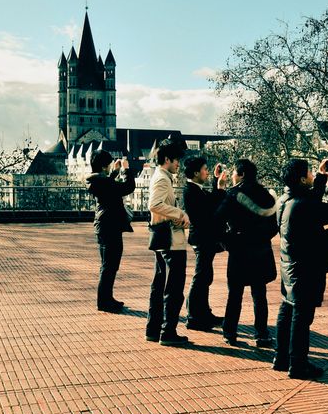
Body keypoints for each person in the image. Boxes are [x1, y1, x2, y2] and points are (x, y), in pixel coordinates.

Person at [274, 157, 328, 380]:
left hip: (289, 264)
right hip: (304, 267)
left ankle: (282, 358)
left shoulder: (287, 199)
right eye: (310, 173)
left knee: (287, 309)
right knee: (302, 317)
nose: (313, 175)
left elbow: (310, 199)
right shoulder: (303, 203)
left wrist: (322, 176)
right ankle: (298, 365)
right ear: (302, 178)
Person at [218, 158, 278, 347]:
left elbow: (217, 220)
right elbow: (273, 226)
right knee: (259, 294)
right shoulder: (266, 195)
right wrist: (262, 237)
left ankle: (230, 332)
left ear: (241, 174)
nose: (233, 176)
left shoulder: (233, 194)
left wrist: (228, 242)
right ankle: (261, 333)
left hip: (239, 249)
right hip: (260, 250)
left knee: (234, 294)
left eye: (235, 172)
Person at [146, 138, 191, 346]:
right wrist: (179, 213)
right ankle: (168, 331)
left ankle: (154, 329)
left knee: (159, 283)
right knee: (173, 288)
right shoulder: (163, 179)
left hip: (161, 237)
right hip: (171, 241)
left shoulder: (160, 176)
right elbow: (154, 204)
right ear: (167, 159)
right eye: (176, 161)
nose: (178, 165)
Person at [86, 149, 135, 313]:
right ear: (103, 165)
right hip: (110, 227)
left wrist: (113, 173)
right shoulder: (103, 183)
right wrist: (126, 170)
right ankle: (104, 302)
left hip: (104, 226)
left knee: (108, 265)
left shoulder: (97, 181)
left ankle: (107, 298)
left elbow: (108, 186)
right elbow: (128, 187)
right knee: (109, 266)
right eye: (108, 164)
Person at [182, 156, 227, 331]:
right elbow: (210, 206)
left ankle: (203, 313)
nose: (207, 171)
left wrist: (216, 181)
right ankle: (194, 316)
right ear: (195, 173)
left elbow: (210, 200)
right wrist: (220, 188)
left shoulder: (196, 189)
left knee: (205, 276)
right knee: (201, 277)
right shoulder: (190, 190)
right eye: (205, 169)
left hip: (204, 238)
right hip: (202, 239)